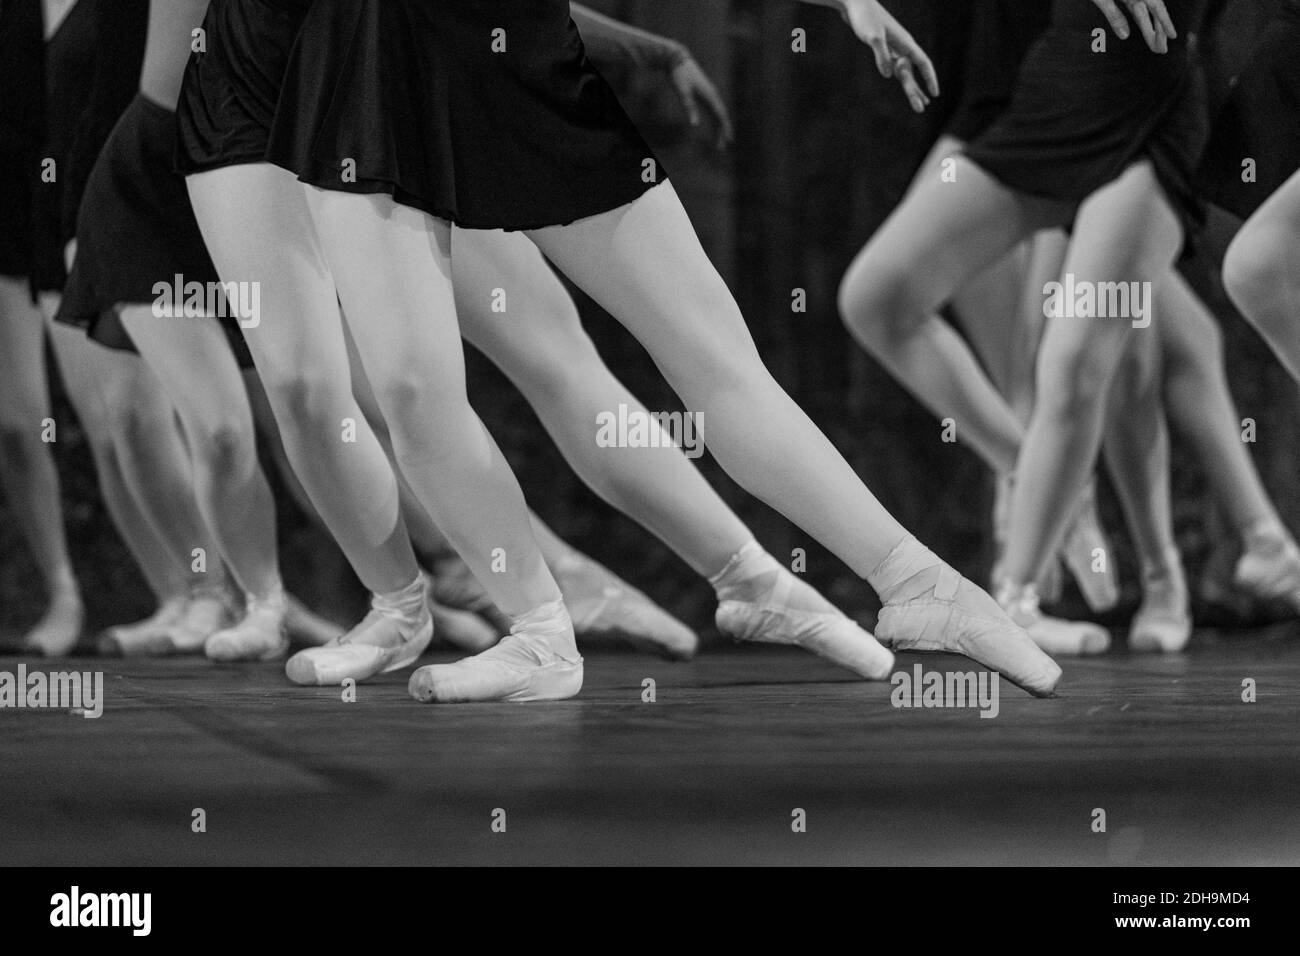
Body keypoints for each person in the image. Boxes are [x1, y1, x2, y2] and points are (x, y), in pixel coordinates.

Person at [243, 0, 1061, 701]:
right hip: (362, 62)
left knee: (714, 356)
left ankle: (918, 583)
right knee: (412, 389)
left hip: (516, 47)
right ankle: (539, 636)